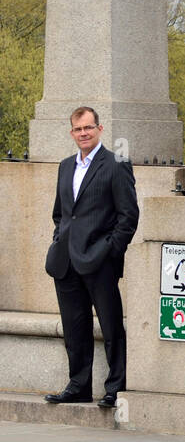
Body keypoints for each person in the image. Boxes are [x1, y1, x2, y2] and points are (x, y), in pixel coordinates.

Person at [44, 107, 139, 408]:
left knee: (111, 326)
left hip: (100, 260)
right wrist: (59, 239)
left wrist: (111, 251)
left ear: (99, 129)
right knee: (74, 328)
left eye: (88, 128)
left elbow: (129, 216)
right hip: (65, 261)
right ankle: (78, 386)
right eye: (77, 129)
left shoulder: (115, 164)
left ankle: (115, 388)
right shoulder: (64, 166)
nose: (83, 133)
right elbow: (61, 213)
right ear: (71, 132)